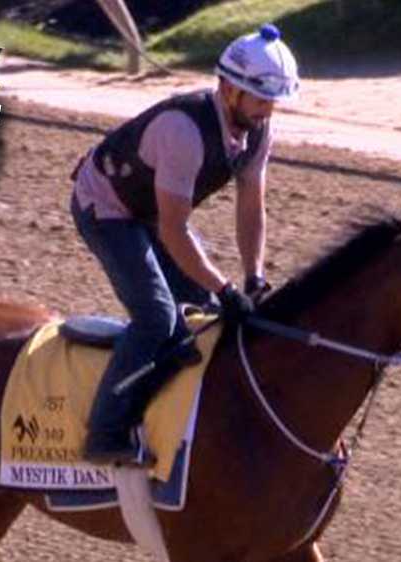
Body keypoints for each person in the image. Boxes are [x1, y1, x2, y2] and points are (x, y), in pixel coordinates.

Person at [70, 24, 300, 465]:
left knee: (206, 317)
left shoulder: (258, 131)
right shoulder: (183, 131)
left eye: (274, 100)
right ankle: (105, 430)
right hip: (106, 208)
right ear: (230, 90)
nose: (268, 109)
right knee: (158, 317)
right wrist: (225, 288)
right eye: (261, 98)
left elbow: (251, 206)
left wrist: (252, 278)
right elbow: (174, 232)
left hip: (151, 213)